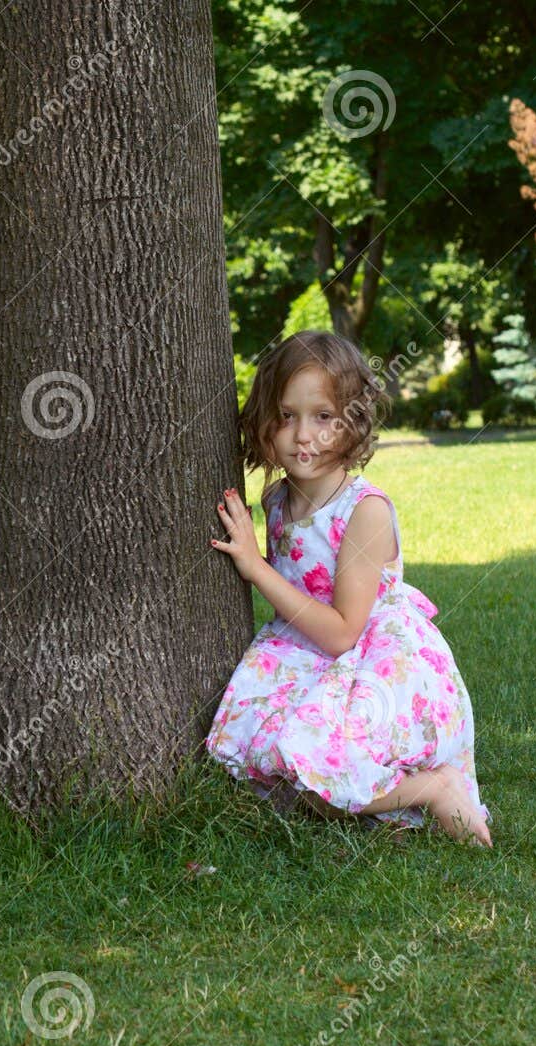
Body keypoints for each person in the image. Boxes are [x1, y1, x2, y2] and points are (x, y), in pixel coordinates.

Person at [206, 330, 491, 846]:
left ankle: (431, 787)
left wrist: (256, 567)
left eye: (322, 416)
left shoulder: (365, 511)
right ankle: (390, 793)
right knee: (272, 774)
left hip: (369, 660)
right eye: (286, 416)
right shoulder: (277, 500)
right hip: (303, 653)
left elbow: (341, 633)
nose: (301, 435)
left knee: (321, 783)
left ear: (353, 421)